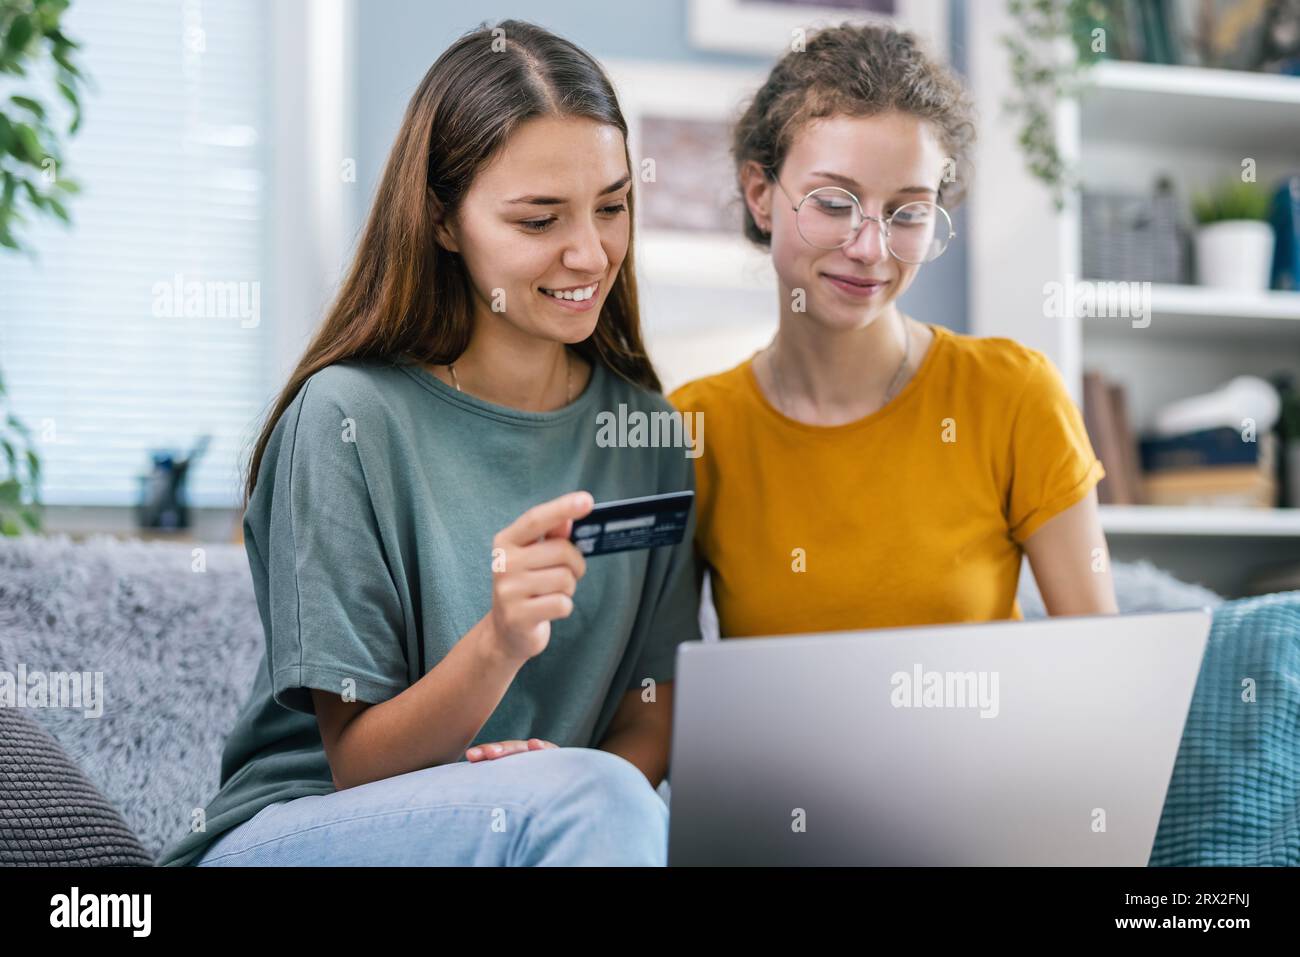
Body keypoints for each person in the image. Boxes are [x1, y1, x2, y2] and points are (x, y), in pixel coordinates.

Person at [156, 19, 699, 867]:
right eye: (537, 219)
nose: (589, 251)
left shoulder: (649, 434)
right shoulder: (345, 420)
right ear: (444, 223)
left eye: (613, 206)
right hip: (309, 831)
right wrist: (499, 643)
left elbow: (650, 705)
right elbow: (361, 762)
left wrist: (567, 790)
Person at [668, 22, 1118, 640]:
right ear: (760, 195)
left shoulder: (1012, 393)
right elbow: (660, 691)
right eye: (832, 202)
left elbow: (1098, 665)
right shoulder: (695, 430)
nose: (869, 248)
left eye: (908, 211)